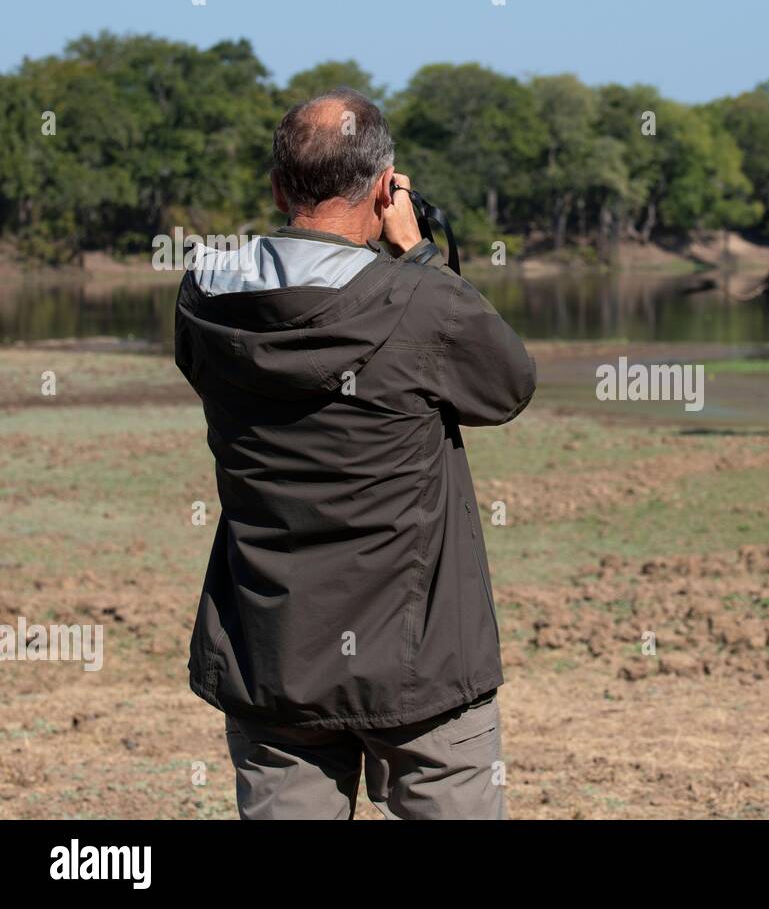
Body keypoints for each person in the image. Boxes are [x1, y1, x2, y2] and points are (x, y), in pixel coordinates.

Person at [173, 87, 535, 819]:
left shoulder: (202, 300)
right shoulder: (420, 302)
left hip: (272, 655)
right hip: (423, 660)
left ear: (278, 189)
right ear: (383, 189)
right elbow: (507, 388)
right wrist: (423, 256)